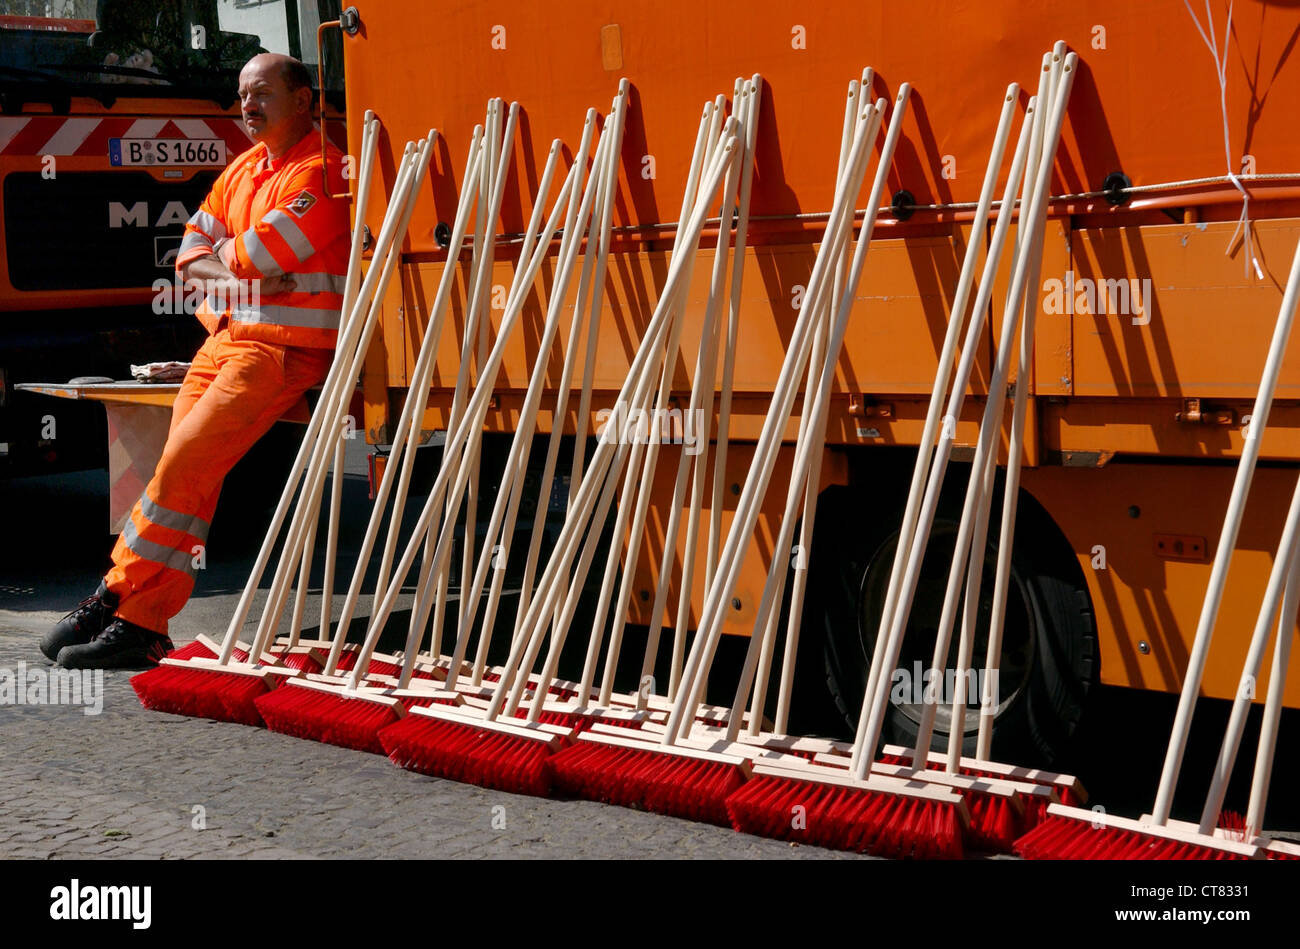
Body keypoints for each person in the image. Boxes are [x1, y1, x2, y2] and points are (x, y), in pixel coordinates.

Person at [41, 53, 351, 669]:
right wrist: (236, 270)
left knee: (183, 464)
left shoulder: (324, 171)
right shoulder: (242, 170)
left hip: (281, 352)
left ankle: (114, 592)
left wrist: (228, 265)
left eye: (261, 92)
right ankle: (144, 628)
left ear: (304, 100)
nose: (247, 104)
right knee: (187, 480)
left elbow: (264, 252)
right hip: (225, 343)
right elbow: (191, 254)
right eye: (242, 94)